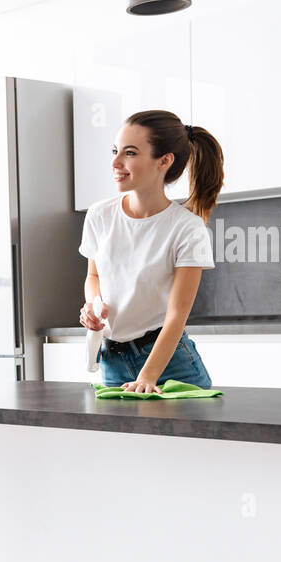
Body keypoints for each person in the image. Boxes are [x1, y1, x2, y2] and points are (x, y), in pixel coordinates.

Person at [78, 110, 224, 392]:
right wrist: (94, 306)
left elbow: (176, 315)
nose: (116, 162)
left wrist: (148, 376)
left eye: (130, 153)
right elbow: (93, 275)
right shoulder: (99, 215)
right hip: (112, 359)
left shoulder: (186, 228)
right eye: (115, 150)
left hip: (170, 364)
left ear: (164, 161)